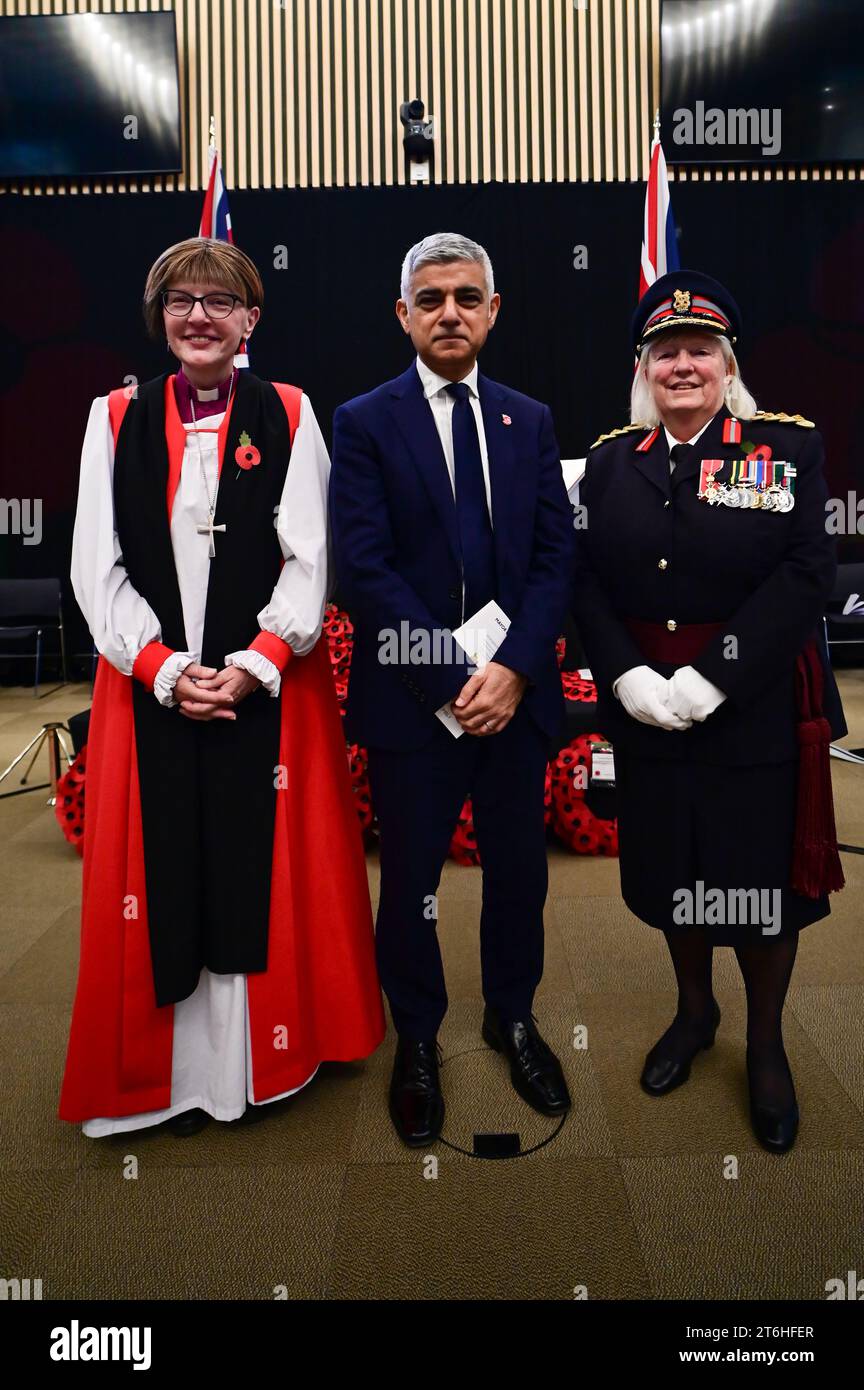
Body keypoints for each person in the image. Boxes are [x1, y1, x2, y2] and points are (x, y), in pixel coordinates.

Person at [59, 237, 384, 1138]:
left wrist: (255, 664)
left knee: (263, 865)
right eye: (179, 301)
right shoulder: (114, 418)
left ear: (250, 319)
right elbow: (96, 565)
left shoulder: (287, 409)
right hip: (150, 688)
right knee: (156, 876)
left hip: (265, 697)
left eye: (218, 300)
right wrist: (159, 667)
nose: (197, 316)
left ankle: (254, 1068)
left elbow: (312, 555)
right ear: (160, 319)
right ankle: (167, 1079)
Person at [572, 270, 846, 1153]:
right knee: (675, 871)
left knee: (758, 886)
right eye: (665, 353)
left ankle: (765, 1044)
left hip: (752, 708)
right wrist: (627, 677)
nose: (681, 366)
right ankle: (695, 1014)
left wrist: (710, 677)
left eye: (700, 352)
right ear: (644, 369)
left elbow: (805, 574)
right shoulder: (613, 461)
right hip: (648, 713)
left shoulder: (780, 450)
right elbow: (583, 583)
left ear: (728, 367)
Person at [329, 233, 576, 1147]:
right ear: (403, 314)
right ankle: (419, 1038)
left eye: (467, 297)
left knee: (520, 874)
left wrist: (510, 670)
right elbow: (362, 567)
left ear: (494, 310)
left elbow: (557, 559)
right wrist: (450, 676)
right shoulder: (362, 421)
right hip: (412, 703)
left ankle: (512, 1018)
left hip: (514, 701)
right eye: (430, 298)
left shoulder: (531, 419)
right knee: (412, 887)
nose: (449, 313)